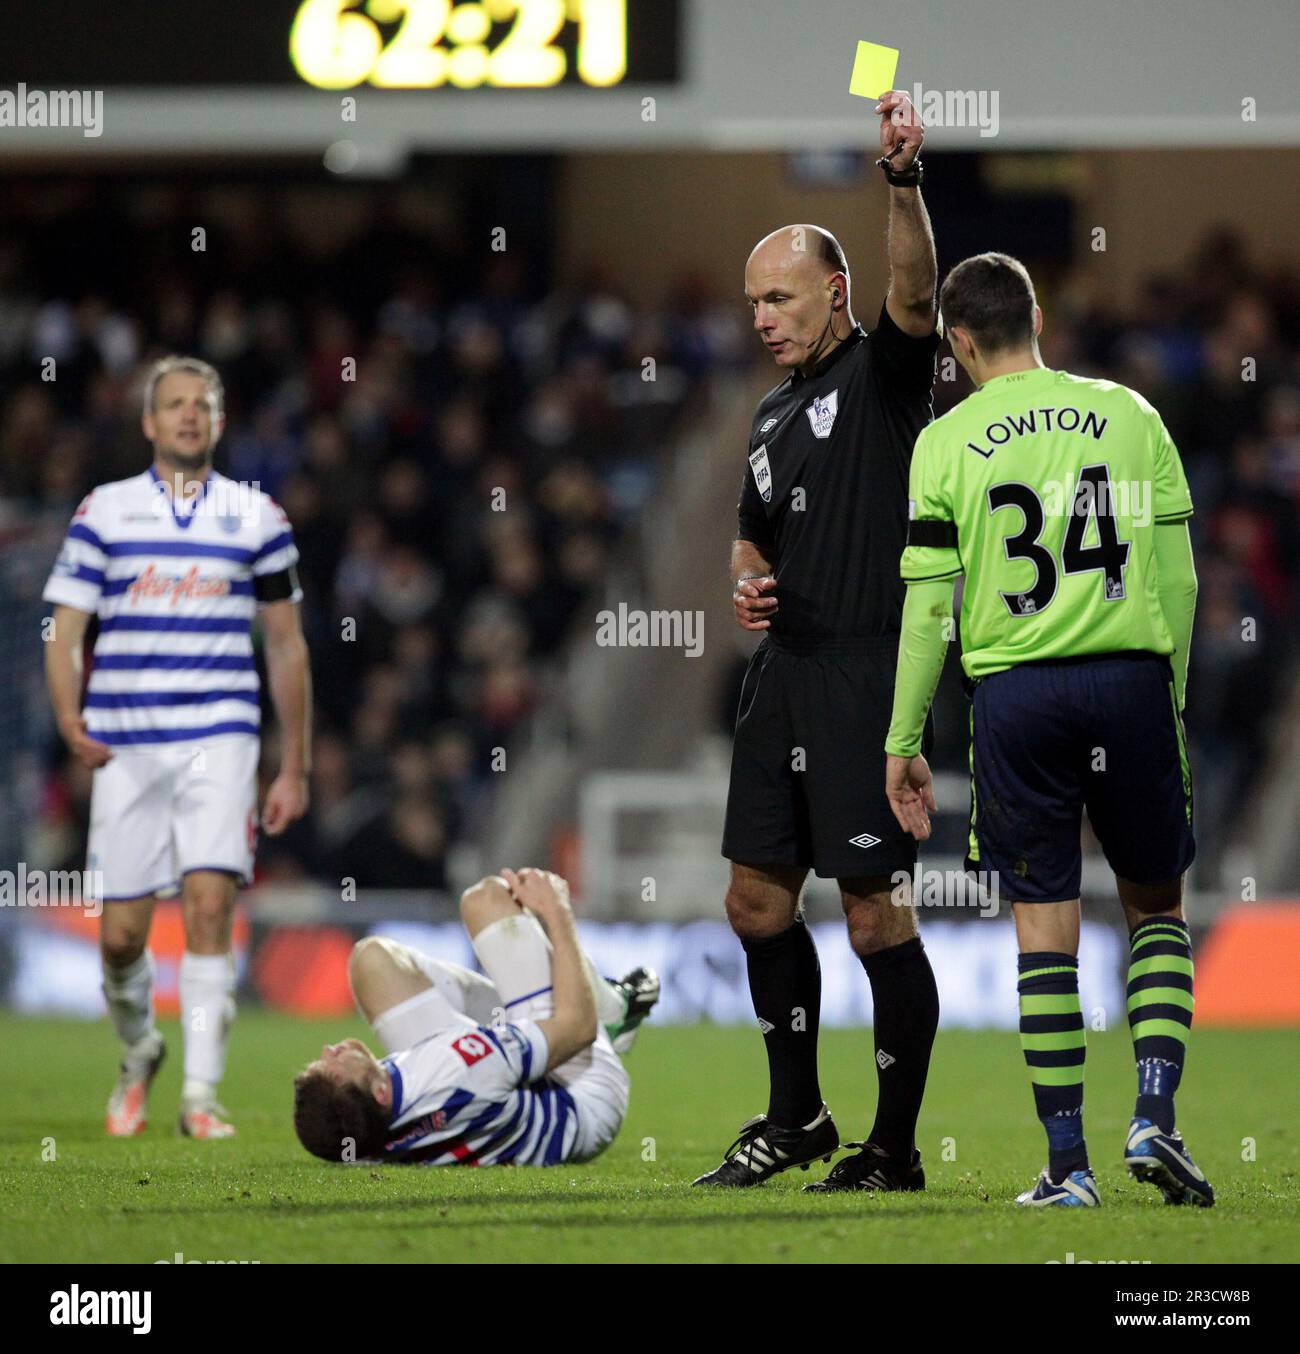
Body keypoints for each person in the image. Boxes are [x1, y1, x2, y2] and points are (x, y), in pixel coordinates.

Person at [884, 252, 1211, 1207]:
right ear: (1038, 317)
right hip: (1130, 679)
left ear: (958, 342)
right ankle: (1155, 1113)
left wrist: (905, 737)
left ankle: (1069, 1168)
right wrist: (1171, 692)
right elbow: (1180, 579)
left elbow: (927, 610)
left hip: (1018, 699)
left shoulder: (943, 446)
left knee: (1044, 932)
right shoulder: (1130, 415)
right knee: (1156, 906)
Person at [698, 91, 941, 1193]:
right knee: (754, 901)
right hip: (782, 675)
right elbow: (749, 542)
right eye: (752, 300)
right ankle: (794, 1116)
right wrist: (748, 585)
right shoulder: (765, 418)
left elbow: (917, 289)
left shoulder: (885, 376)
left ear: (834, 294)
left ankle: (892, 1147)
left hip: (863, 670)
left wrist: (900, 179)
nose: (762, 315)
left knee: (872, 913)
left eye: (781, 295)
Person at [42, 355, 312, 1138]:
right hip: (125, 739)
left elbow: (287, 646)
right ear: (149, 424)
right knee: (122, 934)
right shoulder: (105, 512)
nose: (190, 415)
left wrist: (289, 762)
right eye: (175, 404)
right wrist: (68, 719)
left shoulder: (258, 517)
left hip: (220, 733)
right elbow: (66, 627)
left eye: (204, 403)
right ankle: (140, 1052)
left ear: (220, 421)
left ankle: (200, 1095)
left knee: (208, 904)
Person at [292, 869, 659, 1166]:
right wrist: (557, 911)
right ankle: (612, 1009)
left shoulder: (357, 1139)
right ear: (381, 1092)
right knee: (486, 900)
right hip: (580, 1094)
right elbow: (577, 1028)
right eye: (336, 1067)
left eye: (319, 1062)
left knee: (371, 962)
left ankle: (524, 1014)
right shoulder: (461, 1067)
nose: (328, 1050)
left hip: (479, 1094)